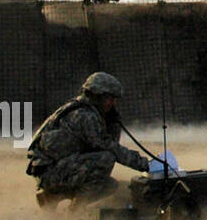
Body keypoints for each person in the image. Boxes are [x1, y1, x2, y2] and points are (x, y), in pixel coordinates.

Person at [26, 72, 151, 208]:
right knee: (106, 158)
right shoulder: (85, 116)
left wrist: (112, 123)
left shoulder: (82, 109)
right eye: (109, 98)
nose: (112, 103)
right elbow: (110, 148)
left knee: (109, 186)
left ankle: (50, 197)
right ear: (97, 95)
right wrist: (147, 165)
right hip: (51, 173)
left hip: (57, 169)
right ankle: (76, 210)